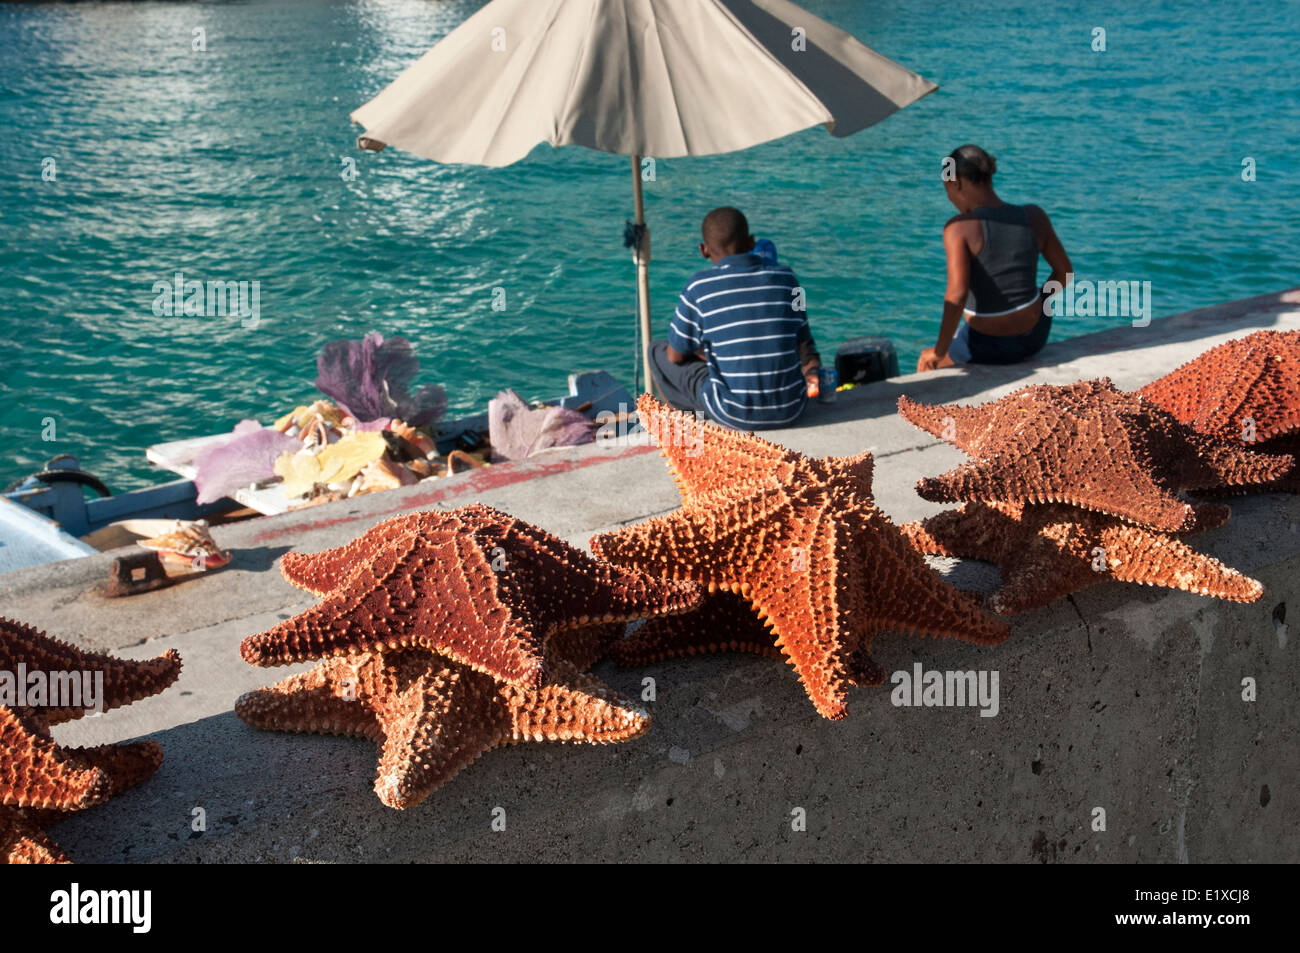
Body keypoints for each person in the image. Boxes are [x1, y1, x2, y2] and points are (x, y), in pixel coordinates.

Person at [648, 207, 821, 429]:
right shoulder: (788, 278)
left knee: (656, 352)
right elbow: (802, 341)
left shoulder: (699, 287)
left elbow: (675, 356)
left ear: (704, 250)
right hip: (792, 407)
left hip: (734, 413)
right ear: (751, 243)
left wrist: (708, 354)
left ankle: (692, 429)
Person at [917, 145, 1072, 371]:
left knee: (927, 362)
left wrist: (939, 352)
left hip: (986, 345)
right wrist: (1042, 299)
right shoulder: (1034, 215)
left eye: (947, 190)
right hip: (1035, 337)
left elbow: (957, 295)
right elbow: (1064, 272)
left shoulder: (958, 228)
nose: (950, 198)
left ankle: (920, 406)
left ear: (956, 183)